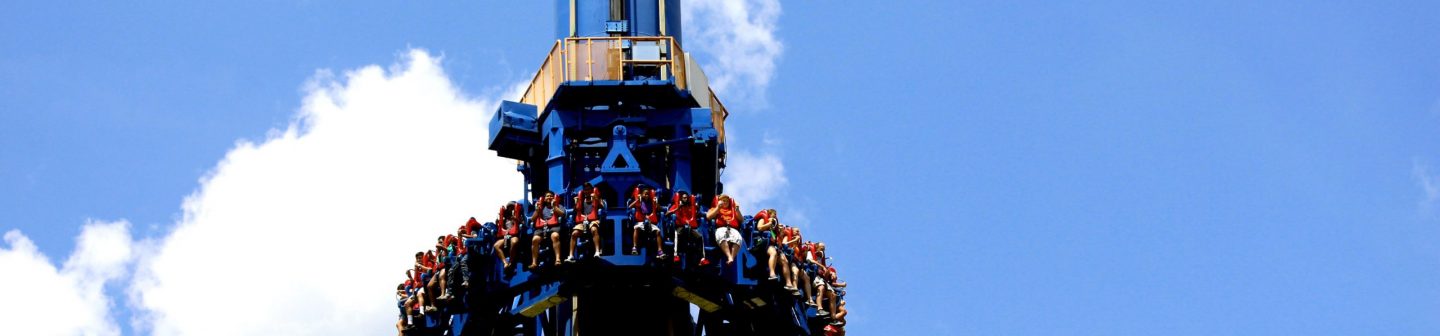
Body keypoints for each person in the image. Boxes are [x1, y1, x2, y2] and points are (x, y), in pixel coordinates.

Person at [666, 190, 706, 264]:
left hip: (690, 227)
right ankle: (676, 255)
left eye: (686, 198)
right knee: (677, 234)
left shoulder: (691, 207)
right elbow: (667, 214)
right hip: (680, 227)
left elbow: (698, 213)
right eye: (684, 198)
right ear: (681, 199)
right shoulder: (676, 206)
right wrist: (677, 208)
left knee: (699, 236)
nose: (685, 199)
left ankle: (702, 258)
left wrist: (698, 206)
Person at [755, 209, 792, 288]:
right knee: (773, 253)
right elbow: (759, 228)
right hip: (763, 242)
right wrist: (769, 223)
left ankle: (789, 283)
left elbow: (777, 237)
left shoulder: (774, 227)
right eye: (773, 214)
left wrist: (780, 231)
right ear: (769, 214)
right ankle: (772, 273)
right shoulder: (763, 219)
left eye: (775, 215)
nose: (775, 216)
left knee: (784, 260)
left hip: (774, 244)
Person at [568, 183, 605, 261]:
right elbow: (575, 211)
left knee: (594, 229)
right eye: (585, 190)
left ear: (591, 190)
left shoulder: (597, 198)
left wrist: (596, 199)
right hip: (582, 221)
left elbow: (602, 207)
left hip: (593, 220)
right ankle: (571, 255)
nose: (587, 191)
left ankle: (597, 251)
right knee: (574, 233)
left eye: (588, 189)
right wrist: (576, 203)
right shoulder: (581, 199)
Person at [530, 191, 565, 268]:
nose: (549, 197)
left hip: (554, 227)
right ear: (544, 199)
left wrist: (555, 207)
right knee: (535, 239)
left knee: (555, 236)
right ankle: (534, 262)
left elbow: (562, 214)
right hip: (541, 228)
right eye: (547, 196)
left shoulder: (559, 205)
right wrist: (537, 210)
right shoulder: (541, 208)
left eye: (551, 196)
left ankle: (558, 259)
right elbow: (532, 219)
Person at [706, 194, 743, 265]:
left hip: (732, 228)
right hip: (721, 228)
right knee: (721, 236)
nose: (725, 202)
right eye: (723, 201)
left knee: (738, 238)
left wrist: (737, 210)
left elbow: (741, 219)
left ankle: (732, 257)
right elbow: (708, 217)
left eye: (727, 201)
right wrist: (718, 208)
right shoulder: (714, 208)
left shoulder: (732, 210)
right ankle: (729, 256)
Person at [628, 186, 663, 258]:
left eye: (648, 194)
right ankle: (634, 247)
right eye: (645, 194)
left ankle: (660, 251)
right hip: (641, 221)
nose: (646, 195)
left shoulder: (651, 201)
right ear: (641, 194)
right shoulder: (640, 201)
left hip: (651, 222)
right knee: (636, 228)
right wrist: (637, 200)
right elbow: (630, 206)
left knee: (658, 231)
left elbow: (660, 209)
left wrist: (656, 203)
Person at [493, 202, 522, 269]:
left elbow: (522, 223)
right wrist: (498, 222)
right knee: (496, 246)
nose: (510, 209)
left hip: (515, 235)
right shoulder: (504, 218)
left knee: (514, 242)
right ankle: (505, 262)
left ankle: (511, 261)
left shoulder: (519, 215)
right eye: (509, 207)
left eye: (512, 207)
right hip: (506, 236)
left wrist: (516, 219)